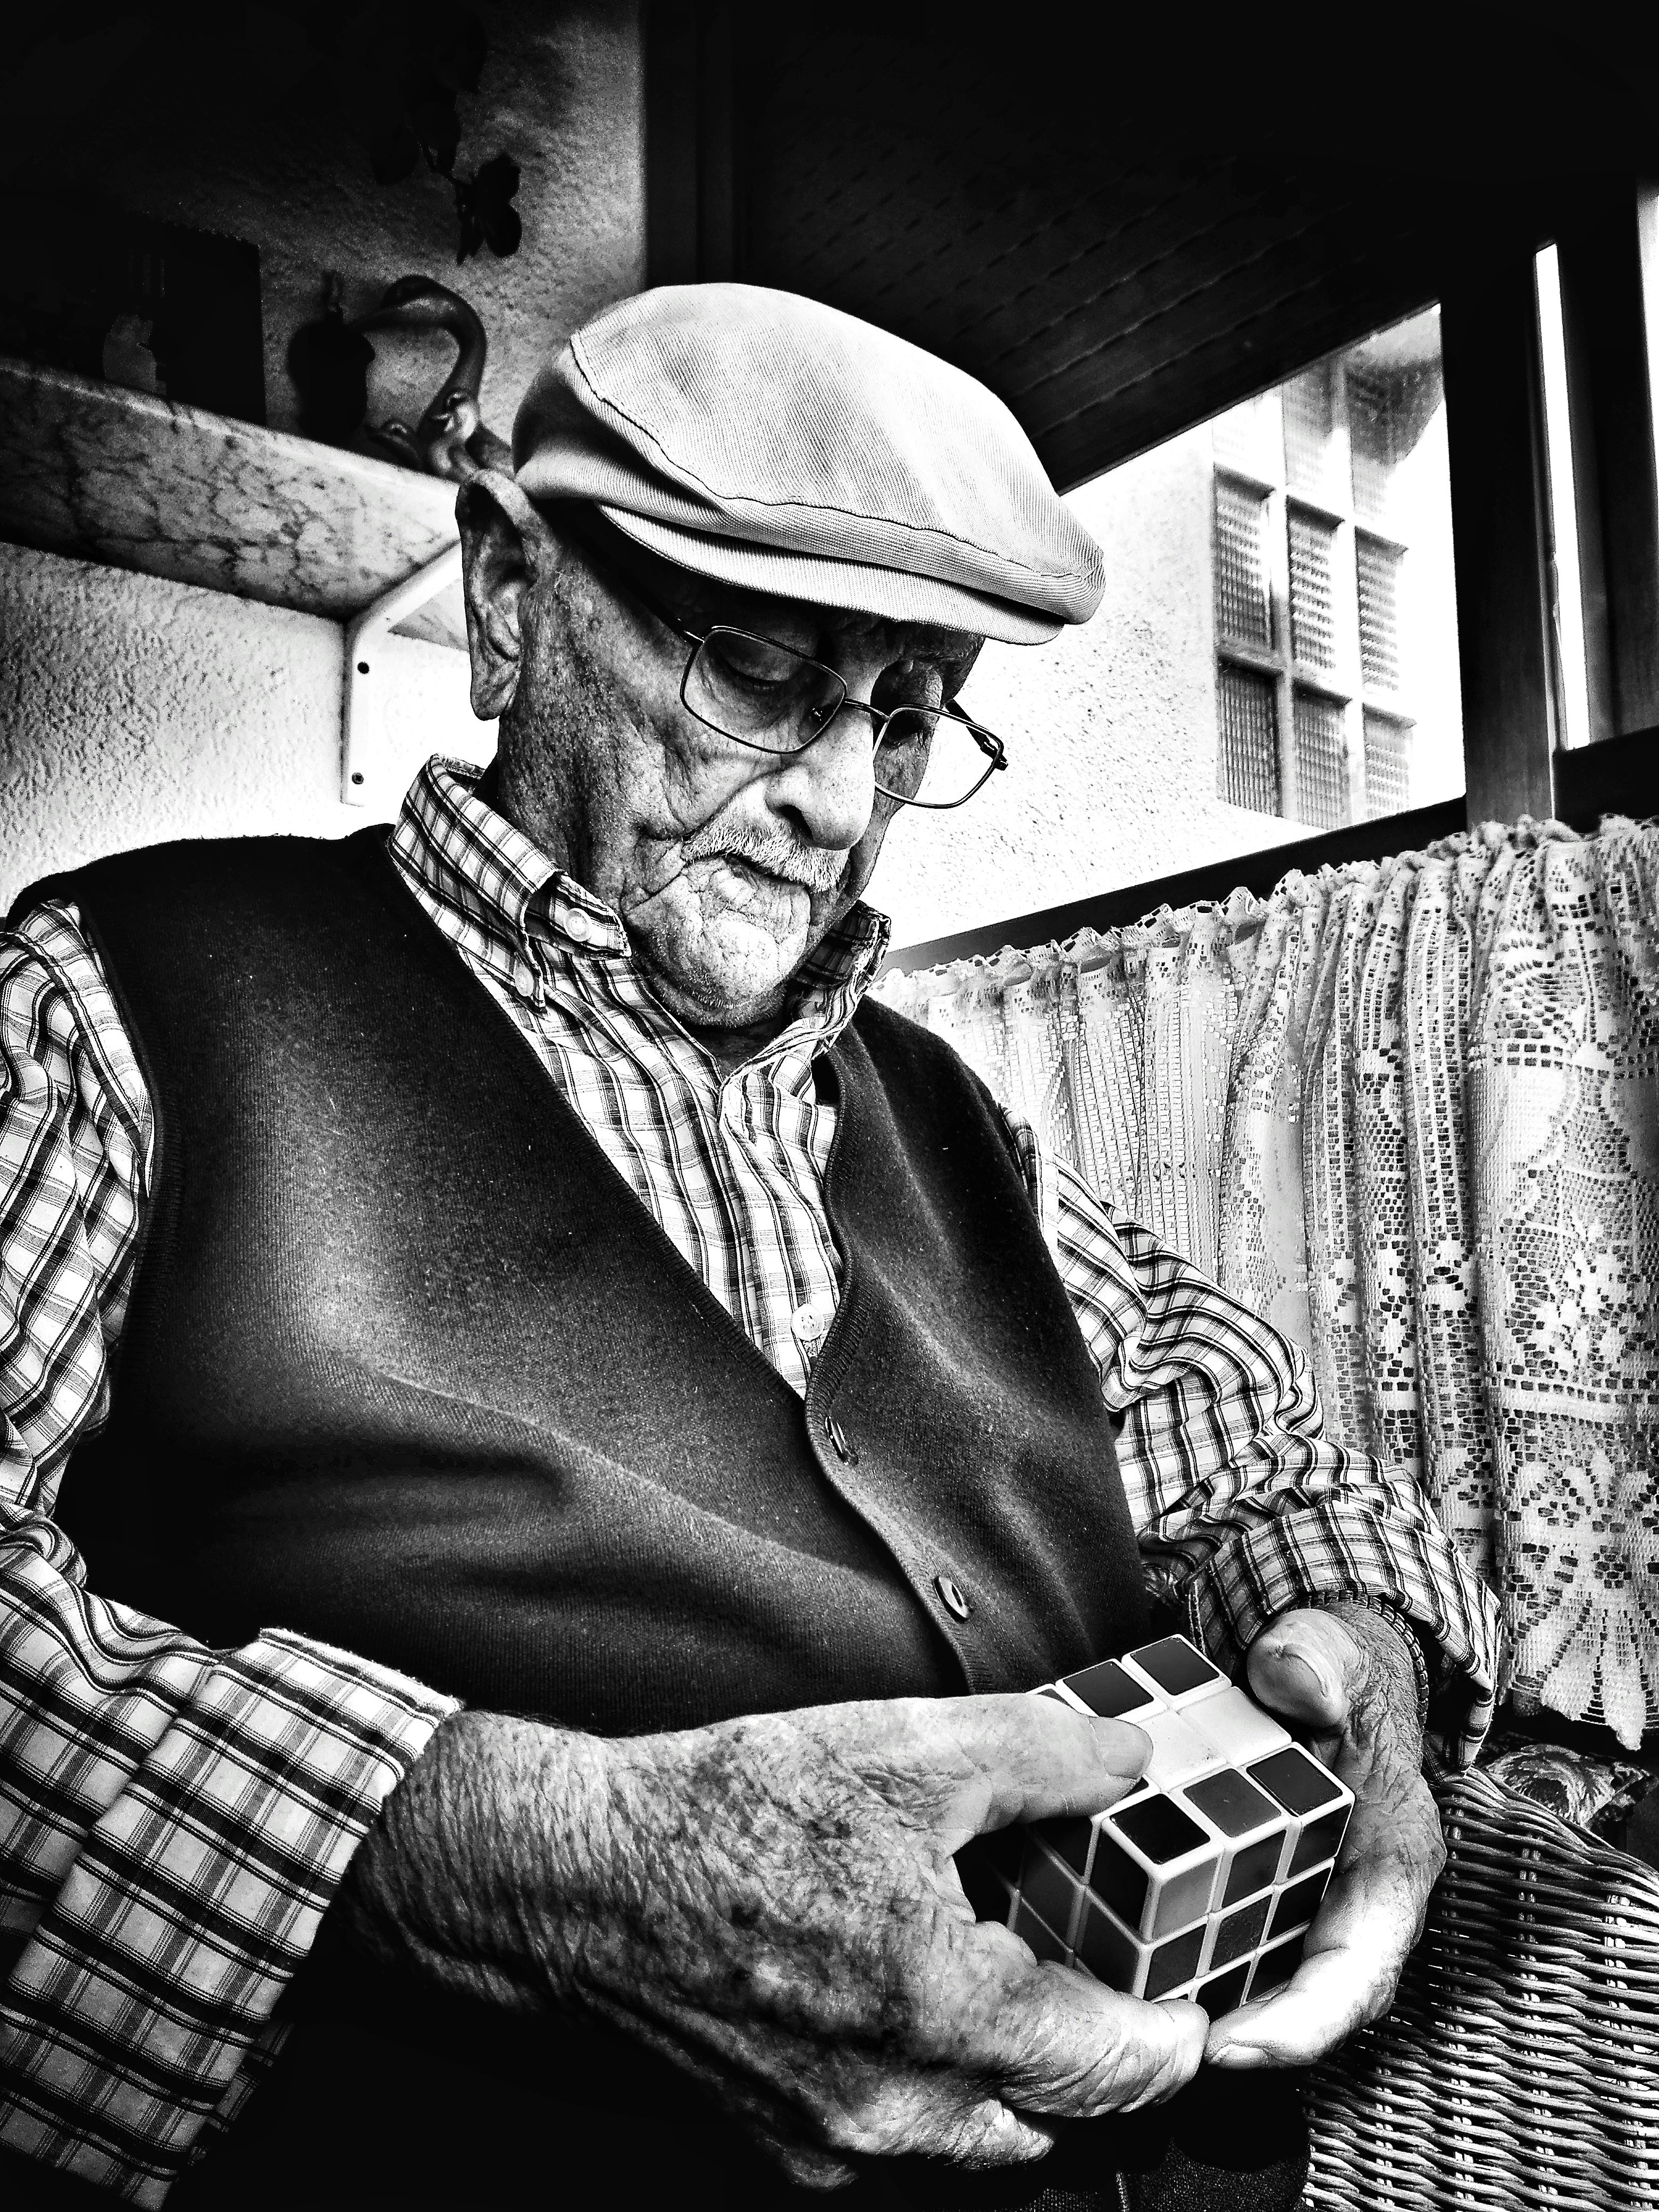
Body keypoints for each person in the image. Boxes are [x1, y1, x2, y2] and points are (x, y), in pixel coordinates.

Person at [0, 284, 1497, 2211]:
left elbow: (1259, 1459)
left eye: (903, 714)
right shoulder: (114, 1010)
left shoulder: (959, 1124)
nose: (836, 802)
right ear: (508, 595)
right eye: (761, 674)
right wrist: (515, 1859)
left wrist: (1364, 1663)